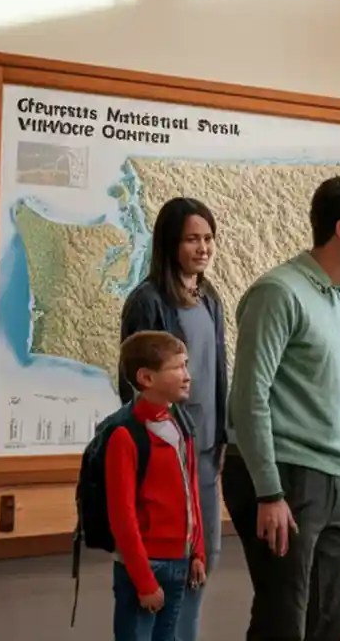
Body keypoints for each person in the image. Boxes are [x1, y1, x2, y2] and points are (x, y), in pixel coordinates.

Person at [222, 174, 340, 641]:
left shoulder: (336, 295)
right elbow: (248, 397)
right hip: (286, 477)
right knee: (285, 621)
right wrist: (269, 493)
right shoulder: (279, 292)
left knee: (328, 619)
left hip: (332, 481)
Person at [119, 197, 227, 641]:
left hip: (205, 453)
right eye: (191, 239)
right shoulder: (147, 302)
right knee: (163, 570)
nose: (202, 248)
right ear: (170, 243)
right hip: (164, 457)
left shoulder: (211, 297)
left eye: (208, 239)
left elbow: (218, 371)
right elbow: (133, 380)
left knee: (202, 564)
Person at [108, 331, 207, 641]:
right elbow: (122, 516)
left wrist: (197, 551)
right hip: (144, 565)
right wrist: (144, 581)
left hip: (179, 560)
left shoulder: (180, 428)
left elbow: (191, 493)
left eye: (186, 365)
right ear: (146, 377)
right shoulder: (125, 437)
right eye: (177, 368)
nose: (187, 376)